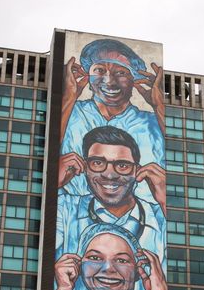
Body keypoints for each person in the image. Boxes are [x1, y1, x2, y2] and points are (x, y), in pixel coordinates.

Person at [57, 126, 166, 290]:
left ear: (137, 171)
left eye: (122, 165)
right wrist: (54, 180)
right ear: (84, 166)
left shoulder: (160, 216)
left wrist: (165, 199)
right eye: (98, 163)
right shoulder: (65, 207)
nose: (109, 174)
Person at [60, 38, 165, 198]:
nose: (109, 81)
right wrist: (68, 99)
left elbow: (177, 160)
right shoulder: (70, 112)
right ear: (87, 76)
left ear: (135, 79)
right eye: (99, 70)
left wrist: (159, 106)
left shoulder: (152, 122)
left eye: (121, 72)